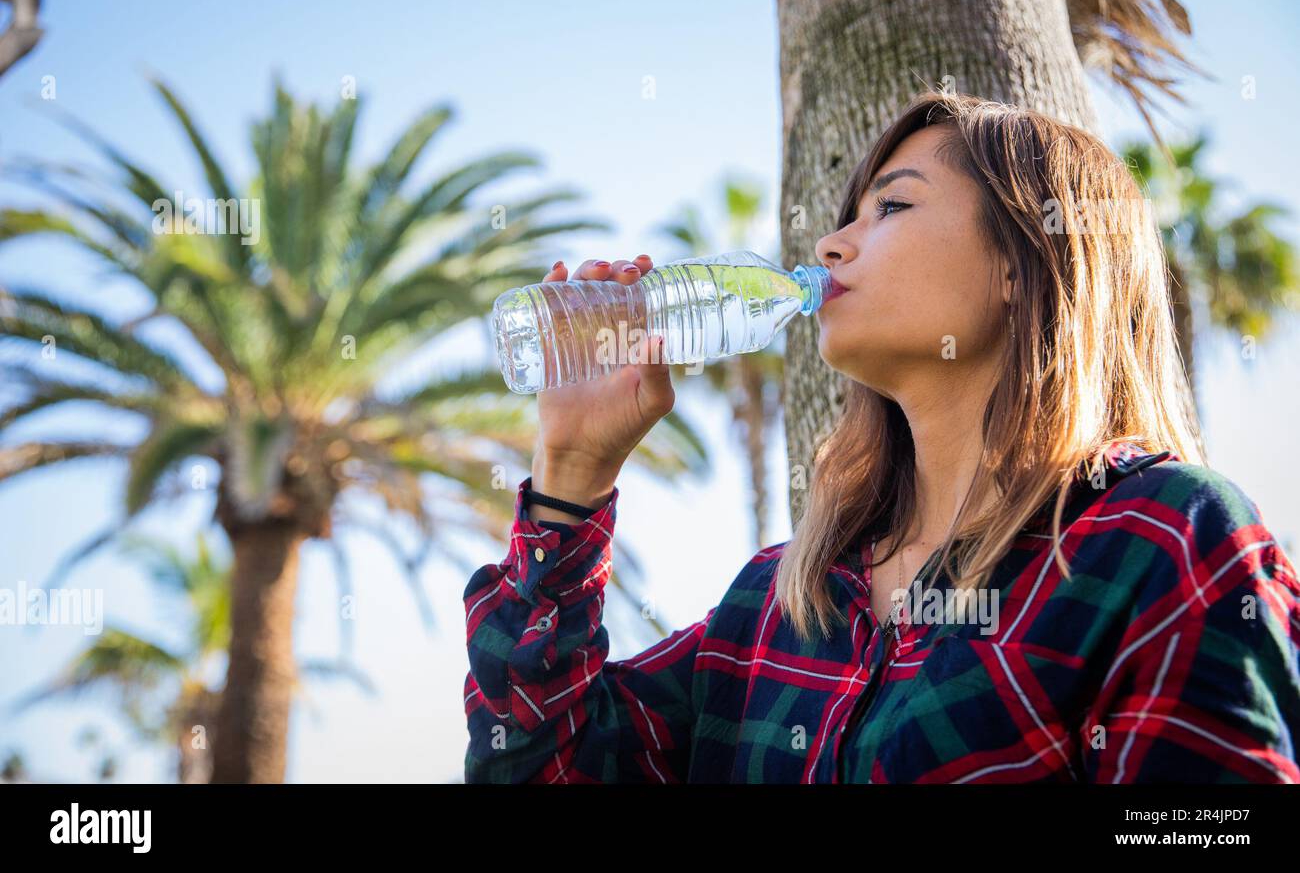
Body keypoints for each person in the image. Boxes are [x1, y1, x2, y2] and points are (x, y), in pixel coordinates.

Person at [462, 91, 1300, 783]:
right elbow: (531, 762)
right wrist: (571, 473)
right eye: (848, 217)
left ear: (1023, 261)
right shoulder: (778, 603)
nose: (831, 245)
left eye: (892, 206)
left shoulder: (1160, 539)